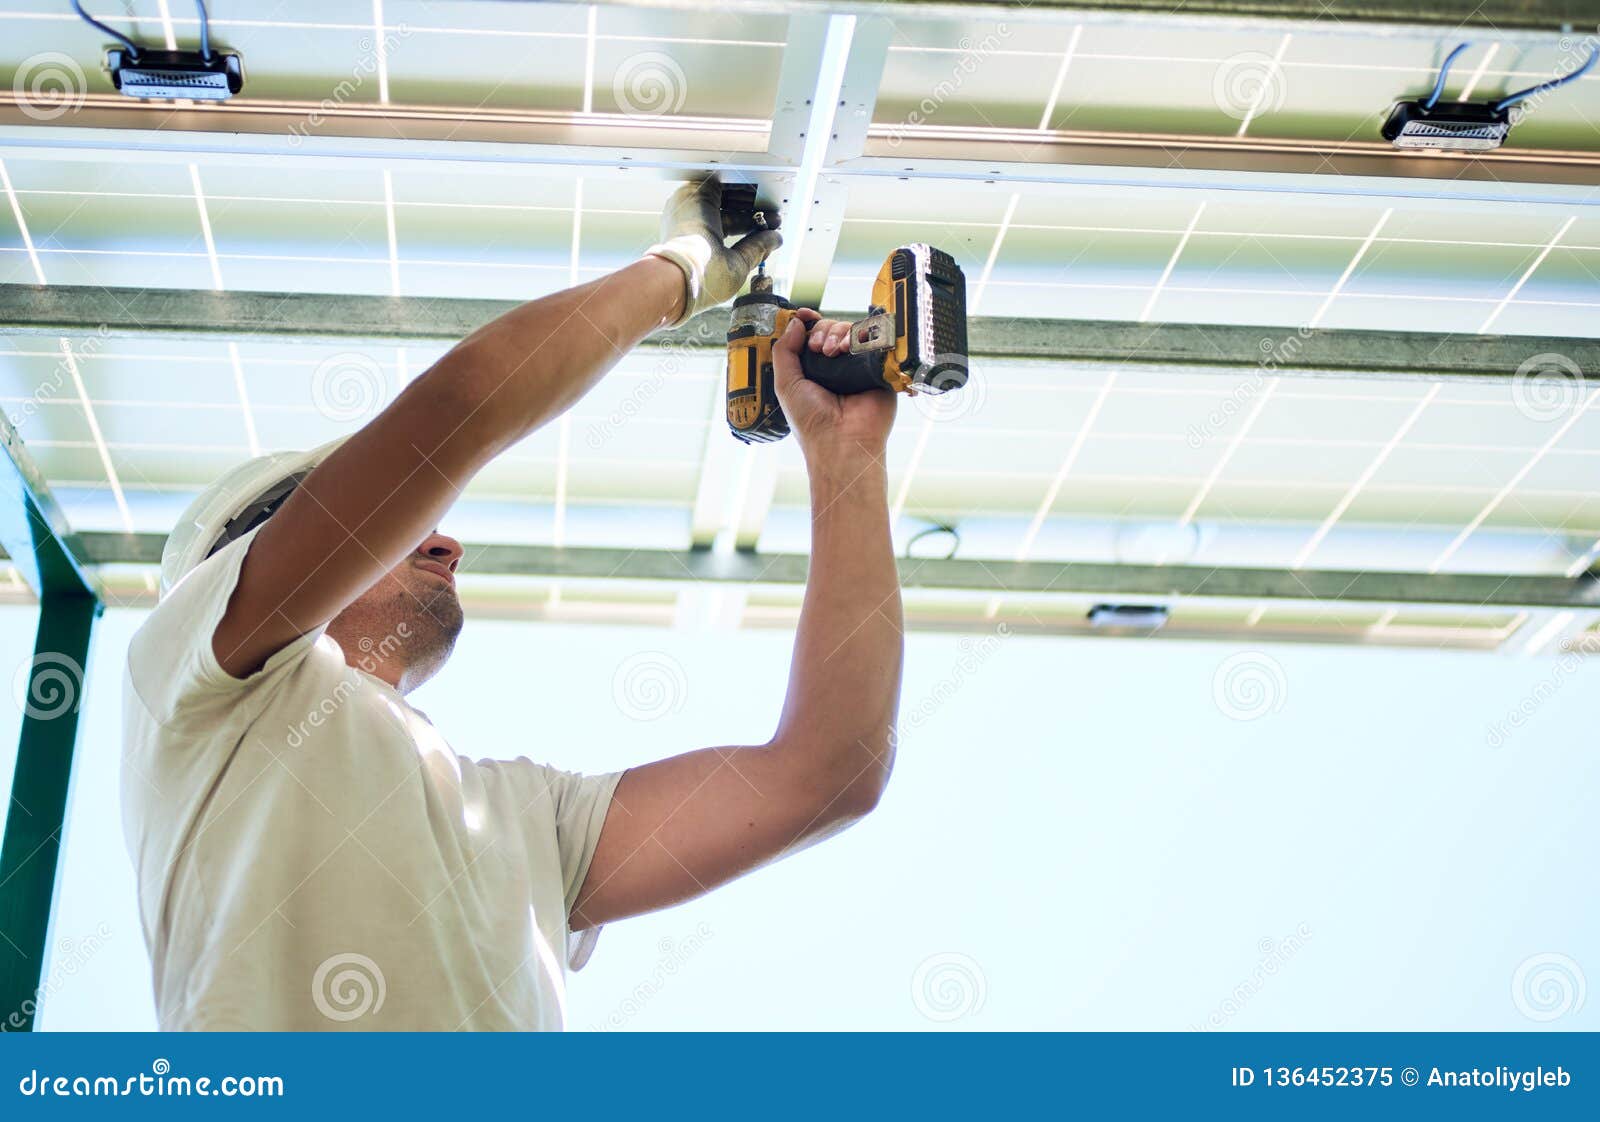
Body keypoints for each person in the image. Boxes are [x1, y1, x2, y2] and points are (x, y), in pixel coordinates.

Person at [120, 178, 904, 1030]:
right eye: (396, 527)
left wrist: (845, 456)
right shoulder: (195, 680)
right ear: (247, 547)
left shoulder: (527, 824)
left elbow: (828, 773)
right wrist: (676, 272)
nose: (444, 544)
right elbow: (453, 416)